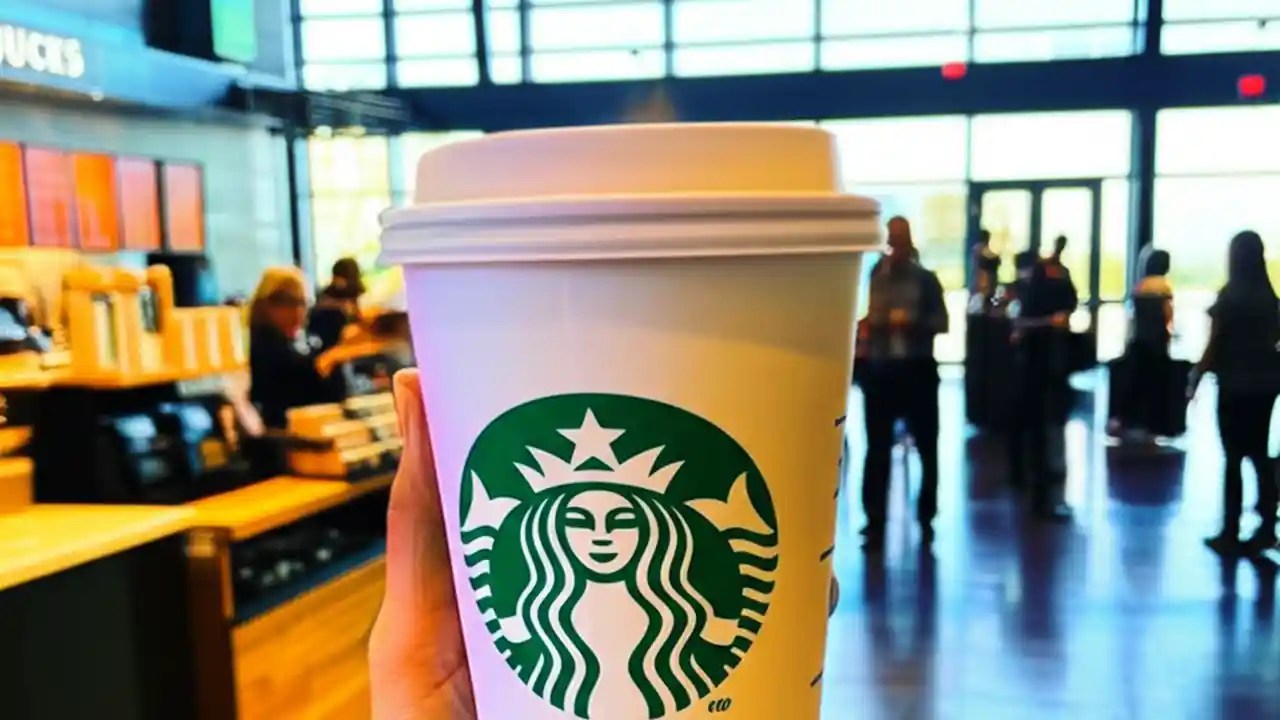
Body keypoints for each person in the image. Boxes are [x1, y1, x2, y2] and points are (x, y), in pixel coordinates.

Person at [858, 216, 949, 551]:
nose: (894, 247)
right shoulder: (875, 276)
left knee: (928, 448)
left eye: (899, 240)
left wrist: (912, 322)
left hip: (918, 371)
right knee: (877, 449)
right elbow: (870, 317)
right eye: (890, 240)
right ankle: (874, 520)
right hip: (882, 374)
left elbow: (942, 321)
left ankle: (926, 516)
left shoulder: (925, 280)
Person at [1191, 231, 1280, 556]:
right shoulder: (1270, 299)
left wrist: (1197, 376)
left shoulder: (1229, 297)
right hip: (1266, 386)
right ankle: (1267, 527)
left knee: (1233, 458)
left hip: (1233, 385)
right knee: (1259, 455)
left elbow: (1214, 344)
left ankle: (1230, 530)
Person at [1007, 248, 1078, 521]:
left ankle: (1030, 483)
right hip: (1048, 373)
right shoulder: (1054, 290)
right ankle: (1045, 493)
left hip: (1030, 372)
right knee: (1046, 432)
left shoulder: (1024, 293)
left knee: (1033, 431)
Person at [247, 267, 364, 428]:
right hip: (287, 437)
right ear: (263, 303)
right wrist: (331, 359)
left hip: (324, 426)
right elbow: (294, 383)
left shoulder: (310, 341)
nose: (297, 311)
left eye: (303, 302)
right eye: (285, 301)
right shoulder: (257, 345)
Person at [1111, 247, 1174, 438]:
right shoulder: (1164, 286)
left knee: (1135, 380)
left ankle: (1126, 419)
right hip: (1157, 341)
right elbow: (1167, 315)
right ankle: (1155, 422)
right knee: (1156, 382)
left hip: (1139, 340)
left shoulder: (1141, 285)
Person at [308, 257, 367, 352]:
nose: (337, 280)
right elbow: (318, 306)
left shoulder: (359, 295)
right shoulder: (328, 292)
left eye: (340, 277)